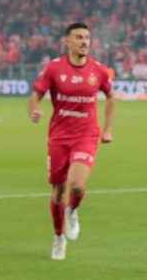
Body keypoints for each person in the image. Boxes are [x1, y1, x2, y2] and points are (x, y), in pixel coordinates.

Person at [28, 22, 115, 261]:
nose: (84, 42)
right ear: (68, 41)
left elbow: (110, 95)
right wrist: (33, 110)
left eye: (87, 37)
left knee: (76, 185)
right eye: (79, 37)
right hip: (58, 137)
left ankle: (73, 210)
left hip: (86, 136)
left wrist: (107, 129)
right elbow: (35, 94)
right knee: (57, 190)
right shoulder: (54, 68)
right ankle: (58, 238)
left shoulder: (97, 70)